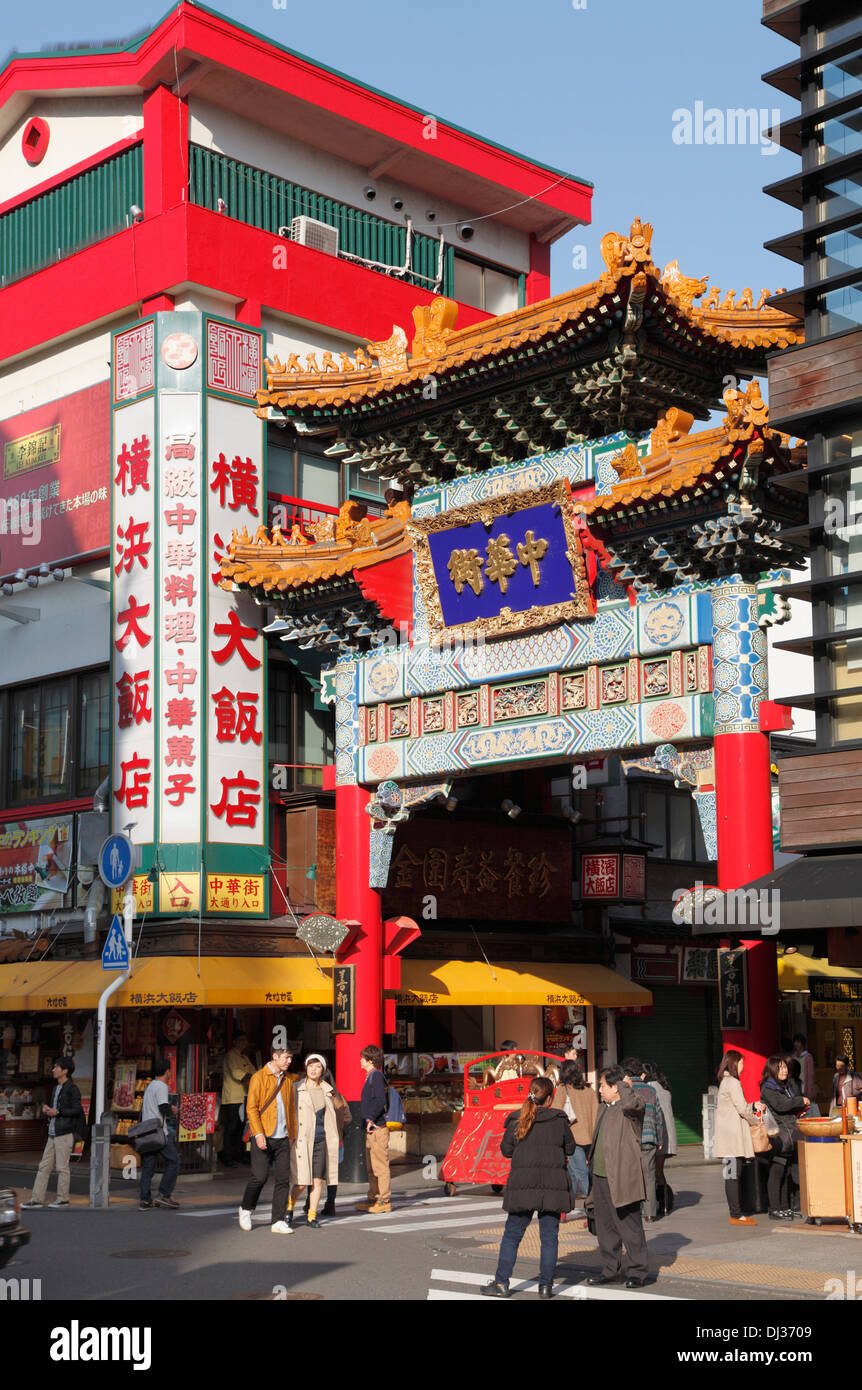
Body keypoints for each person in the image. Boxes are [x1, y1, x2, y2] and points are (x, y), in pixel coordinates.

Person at [481, 1076, 574, 1298]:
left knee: (512, 1235)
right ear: (550, 1098)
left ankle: (502, 1283)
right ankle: (545, 1286)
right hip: (552, 1187)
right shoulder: (559, 1120)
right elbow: (570, 1148)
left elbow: (506, 1150)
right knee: (549, 1237)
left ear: (530, 1095)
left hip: (523, 1186)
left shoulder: (517, 1119)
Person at [583, 1066, 650, 1288]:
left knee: (629, 1226)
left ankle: (637, 1271)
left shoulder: (631, 1107)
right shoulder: (604, 1108)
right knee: (606, 1228)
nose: (599, 1090)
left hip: (622, 1176)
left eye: (603, 1085)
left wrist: (625, 1084)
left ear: (615, 1087)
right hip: (601, 1176)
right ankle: (610, 1269)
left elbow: (632, 1103)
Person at [238, 1042, 296, 1234]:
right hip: (263, 1134)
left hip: (283, 1136)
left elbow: (290, 1110)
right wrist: (259, 1133)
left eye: (290, 1057)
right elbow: (252, 1108)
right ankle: (246, 1208)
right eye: (286, 1057)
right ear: (275, 1057)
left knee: (282, 1179)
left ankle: (277, 1220)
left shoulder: (287, 1080)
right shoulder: (259, 1077)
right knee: (259, 1177)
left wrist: (292, 1134)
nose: (289, 1061)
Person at [22, 1057, 86, 1209]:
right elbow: (57, 1110)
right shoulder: (57, 1087)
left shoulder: (72, 1088)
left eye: (56, 1067)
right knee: (44, 1166)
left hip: (64, 1133)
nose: (53, 1069)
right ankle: (36, 1199)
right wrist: (49, 1110)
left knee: (62, 1167)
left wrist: (57, 1111)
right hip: (53, 1132)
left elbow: (77, 1110)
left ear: (65, 1071)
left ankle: (63, 1198)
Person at [289, 1055, 340, 1229]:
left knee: (318, 1180)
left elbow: (335, 1115)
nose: (313, 1069)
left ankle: (312, 1216)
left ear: (322, 1070)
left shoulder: (327, 1090)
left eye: (318, 1067)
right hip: (302, 1139)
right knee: (302, 1182)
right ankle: (290, 1206)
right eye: (311, 1066)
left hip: (321, 1140)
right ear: (306, 1068)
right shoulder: (296, 1088)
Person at [760, 1055, 808, 1221]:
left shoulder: (785, 1086)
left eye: (785, 1067)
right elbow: (781, 1105)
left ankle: (784, 1206)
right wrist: (799, 1100)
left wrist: (799, 1108)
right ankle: (774, 1208)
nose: (785, 1070)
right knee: (777, 1170)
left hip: (789, 1132)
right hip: (779, 1135)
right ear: (772, 1070)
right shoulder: (768, 1088)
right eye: (780, 1068)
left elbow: (789, 1106)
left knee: (786, 1171)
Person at [621, 1056, 665, 1223]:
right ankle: (650, 1213)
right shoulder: (652, 1091)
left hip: (631, 1138)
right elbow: (658, 1117)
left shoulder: (625, 1090)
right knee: (649, 1175)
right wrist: (659, 1140)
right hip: (649, 1138)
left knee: (631, 1175)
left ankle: (633, 1210)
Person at [551, 1058, 597, 1202]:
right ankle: (567, 1204)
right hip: (590, 1135)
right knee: (575, 1171)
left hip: (572, 1137)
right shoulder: (589, 1090)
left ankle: (593, 1206)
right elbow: (596, 1113)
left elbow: (556, 1112)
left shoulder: (563, 1089)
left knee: (581, 1172)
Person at [137, 1059, 181, 1211]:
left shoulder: (150, 1086)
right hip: (159, 1132)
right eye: (170, 1071)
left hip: (146, 1131)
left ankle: (145, 1200)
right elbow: (163, 1107)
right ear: (168, 1071)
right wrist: (173, 1110)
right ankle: (164, 1194)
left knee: (148, 1166)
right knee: (174, 1160)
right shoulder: (162, 1086)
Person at [354, 1044, 391, 1215]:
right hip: (371, 1128)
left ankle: (384, 1199)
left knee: (380, 1165)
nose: (360, 1060)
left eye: (362, 1058)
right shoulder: (370, 1076)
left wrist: (371, 1119)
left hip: (377, 1128)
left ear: (370, 1060)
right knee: (371, 1165)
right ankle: (374, 1196)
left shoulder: (376, 1076)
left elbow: (380, 1099)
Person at [643, 1062, 677, 1218]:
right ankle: (664, 1205)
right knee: (658, 1171)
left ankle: (656, 1205)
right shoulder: (664, 1089)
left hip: (656, 1135)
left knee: (652, 1172)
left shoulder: (649, 1089)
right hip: (667, 1136)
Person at [220, 1032, 255, 1167]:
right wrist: (249, 1077)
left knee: (242, 1127)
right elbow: (236, 1073)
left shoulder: (244, 1057)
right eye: (240, 1040)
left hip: (245, 1094)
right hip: (233, 1096)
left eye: (245, 1040)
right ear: (235, 1041)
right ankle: (227, 1156)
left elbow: (253, 1071)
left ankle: (240, 1155)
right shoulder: (230, 1055)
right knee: (231, 1126)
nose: (243, 1042)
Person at [792, 1034, 815, 1102]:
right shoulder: (793, 1057)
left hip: (804, 1087)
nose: (796, 1044)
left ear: (802, 1044)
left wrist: (809, 1094)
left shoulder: (808, 1057)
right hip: (794, 1086)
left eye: (798, 1042)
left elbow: (810, 1077)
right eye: (795, 1042)